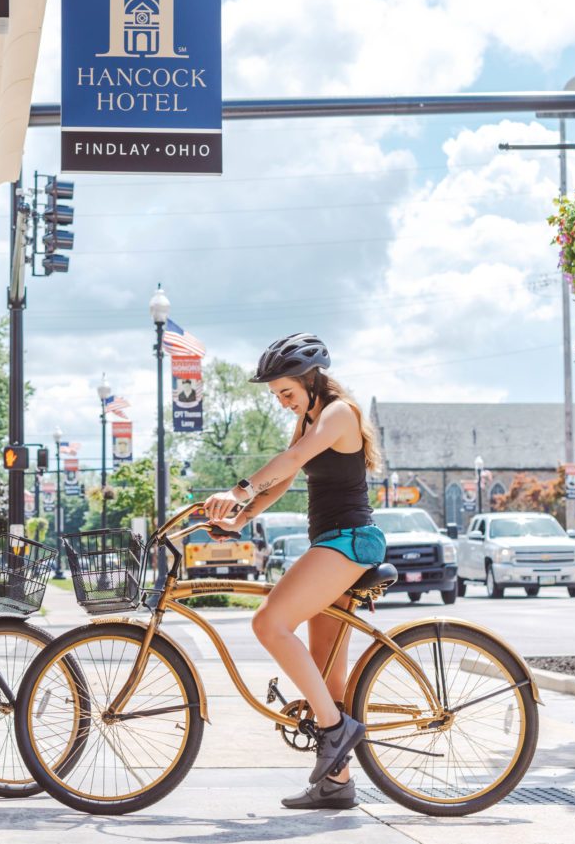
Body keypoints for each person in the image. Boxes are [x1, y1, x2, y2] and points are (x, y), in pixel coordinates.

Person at [203, 332, 387, 810]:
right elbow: (284, 480)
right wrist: (239, 520)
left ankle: (335, 728)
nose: (283, 403)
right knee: (328, 675)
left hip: (349, 541)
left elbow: (290, 461)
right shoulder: (310, 418)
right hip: (332, 543)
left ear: (311, 380)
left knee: (269, 621)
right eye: (276, 396)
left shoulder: (338, 413)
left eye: (287, 392)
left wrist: (237, 491)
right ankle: (337, 783)